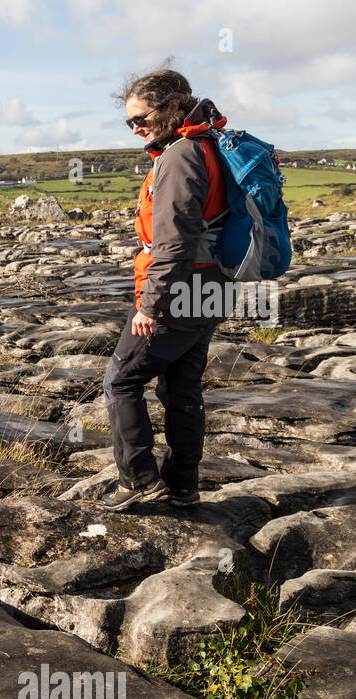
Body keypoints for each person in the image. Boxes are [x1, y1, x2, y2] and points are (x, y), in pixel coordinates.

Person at [101, 67, 231, 512]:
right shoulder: (208, 145)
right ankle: (182, 485)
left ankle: (138, 480)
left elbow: (174, 239)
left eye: (143, 117)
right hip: (211, 288)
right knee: (180, 388)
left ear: (175, 105)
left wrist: (151, 305)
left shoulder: (180, 155)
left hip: (180, 289)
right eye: (130, 121)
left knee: (121, 380)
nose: (137, 127)